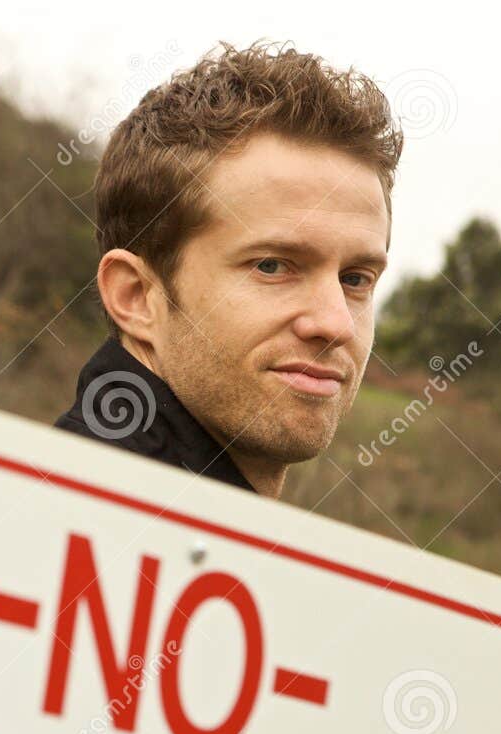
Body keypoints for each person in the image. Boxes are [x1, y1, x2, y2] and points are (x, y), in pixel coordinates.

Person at [54, 40, 403, 499]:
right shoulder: (61, 514)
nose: (336, 325)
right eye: (272, 266)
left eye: (355, 279)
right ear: (135, 296)